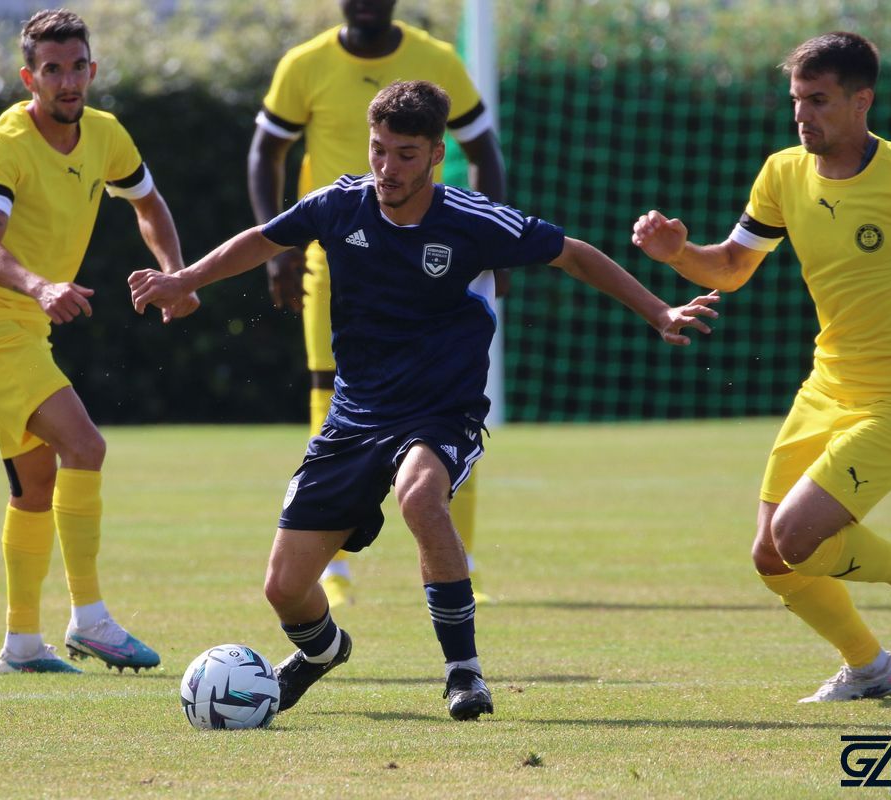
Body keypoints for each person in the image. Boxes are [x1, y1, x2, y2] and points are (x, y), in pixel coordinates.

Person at [132, 80, 718, 719]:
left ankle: (464, 672)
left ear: (437, 155)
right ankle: (324, 653)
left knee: (420, 497)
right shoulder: (339, 205)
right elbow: (265, 238)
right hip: (355, 416)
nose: (388, 168)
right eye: (379, 150)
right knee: (284, 589)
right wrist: (184, 278)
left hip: (443, 411)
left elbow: (573, 256)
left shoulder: (471, 220)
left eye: (406, 155)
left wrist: (659, 311)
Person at [632, 32, 891, 702]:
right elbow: (730, 268)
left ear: (862, 101)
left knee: (795, 536)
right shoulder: (782, 173)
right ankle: (869, 666)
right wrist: (679, 254)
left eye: (818, 101)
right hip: (827, 387)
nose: (803, 115)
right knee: (770, 556)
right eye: (798, 100)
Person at [0, 9, 196, 674]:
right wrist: (42, 286)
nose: (66, 80)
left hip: (19, 324)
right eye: (51, 69)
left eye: (77, 66)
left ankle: (21, 644)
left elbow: (149, 203)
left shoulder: (105, 135)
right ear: (30, 77)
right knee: (85, 445)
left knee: (37, 483)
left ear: (92, 70)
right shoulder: (1, 146)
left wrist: (176, 274)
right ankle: (92, 620)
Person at [248, 0, 507, 607]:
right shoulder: (304, 63)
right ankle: (332, 568)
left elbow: (483, 148)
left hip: (431, 256)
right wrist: (277, 248)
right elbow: (267, 151)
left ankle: (459, 555)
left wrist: (490, 251)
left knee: (453, 405)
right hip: (337, 259)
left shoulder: (437, 59)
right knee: (331, 397)